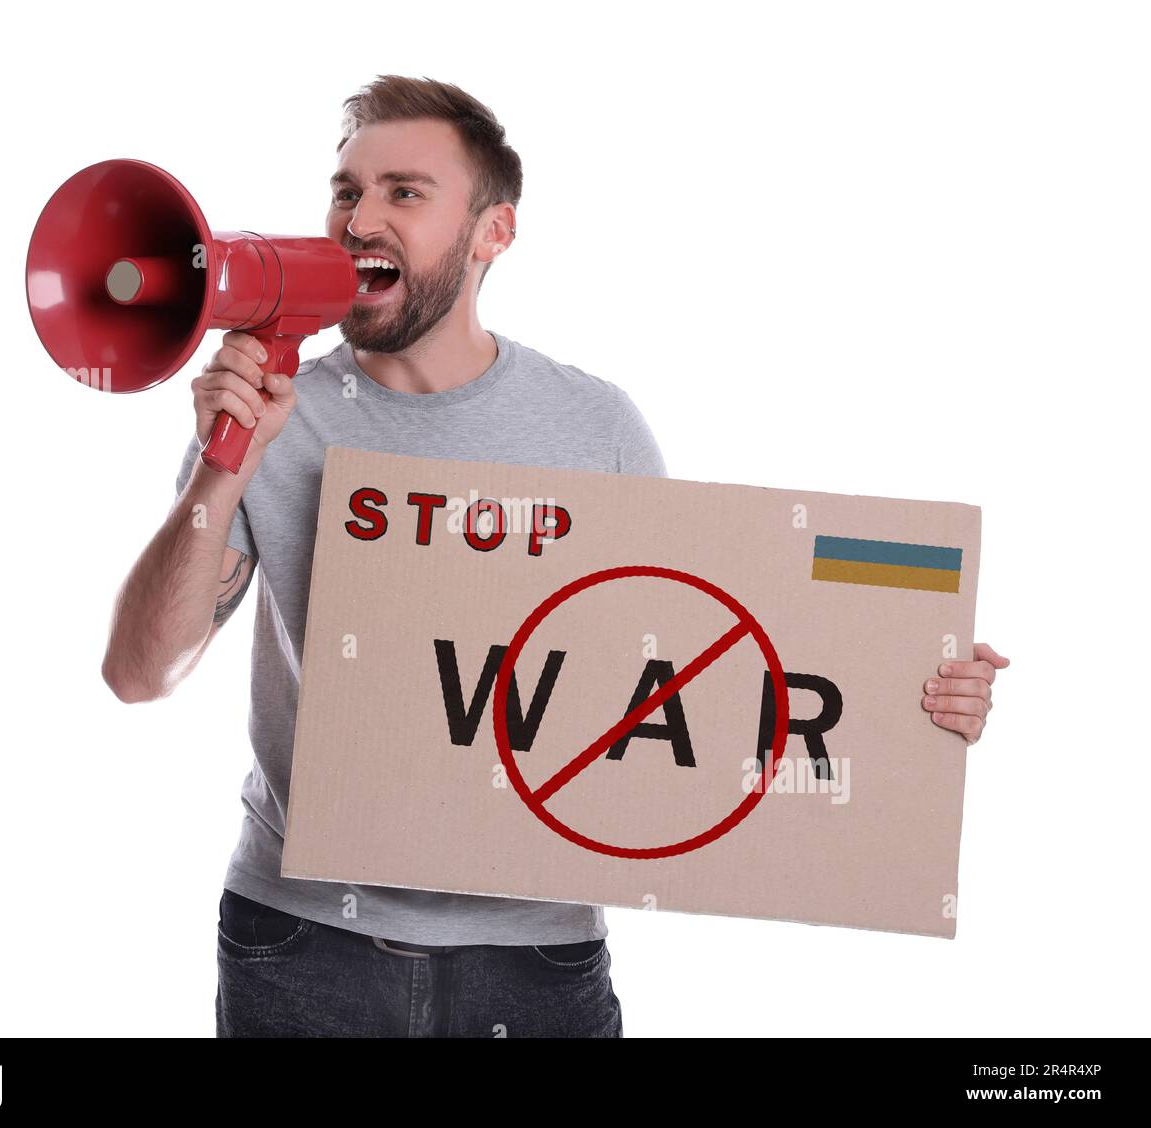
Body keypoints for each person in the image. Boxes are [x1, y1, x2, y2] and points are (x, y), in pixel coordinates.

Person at [100, 75, 1009, 1038]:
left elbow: (691, 663)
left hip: (532, 961)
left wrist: (907, 697)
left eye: (404, 192)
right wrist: (222, 465)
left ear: (495, 231)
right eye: (345, 192)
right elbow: (138, 672)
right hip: (303, 947)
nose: (359, 219)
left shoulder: (593, 424)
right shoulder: (278, 414)